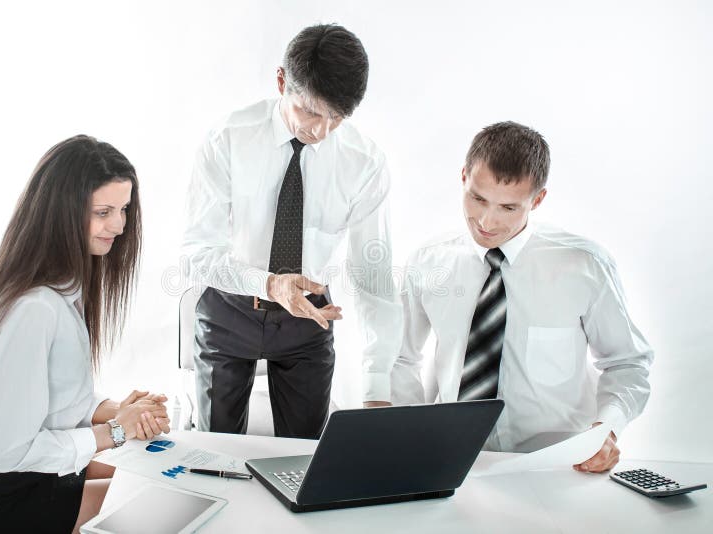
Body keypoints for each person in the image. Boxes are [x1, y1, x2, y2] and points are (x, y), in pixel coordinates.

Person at [0, 135, 171, 533]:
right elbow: (8, 452)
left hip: (22, 478)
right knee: (151, 500)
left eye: (124, 209)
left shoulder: (62, 289)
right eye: (103, 212)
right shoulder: (33, 309)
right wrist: (117, 430)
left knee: (156, 483)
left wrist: (117, 409)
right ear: (62, 215)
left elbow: (49, 397)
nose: (120, 225)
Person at [181, 24, 402, 439]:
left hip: (309, 319)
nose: (321, 131)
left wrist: (377, 388)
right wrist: (270, 284)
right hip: (230, 307)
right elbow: (197, 253)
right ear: (281, 82)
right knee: (214, 453)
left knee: (306, 459)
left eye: (337, 117)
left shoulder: (364, 163)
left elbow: (373, 273)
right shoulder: (228, 138)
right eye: (311, 111)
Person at [391, 122, 653, 472]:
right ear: (464, 176)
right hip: (450, 461)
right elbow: (400, 357)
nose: (486, 221)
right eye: (478, 198)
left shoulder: (584, 265)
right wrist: (408, 431)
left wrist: (606, 429)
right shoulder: (428, 261)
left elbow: (627, 363)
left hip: (556, 466)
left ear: (538, 199)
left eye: (509, 208)